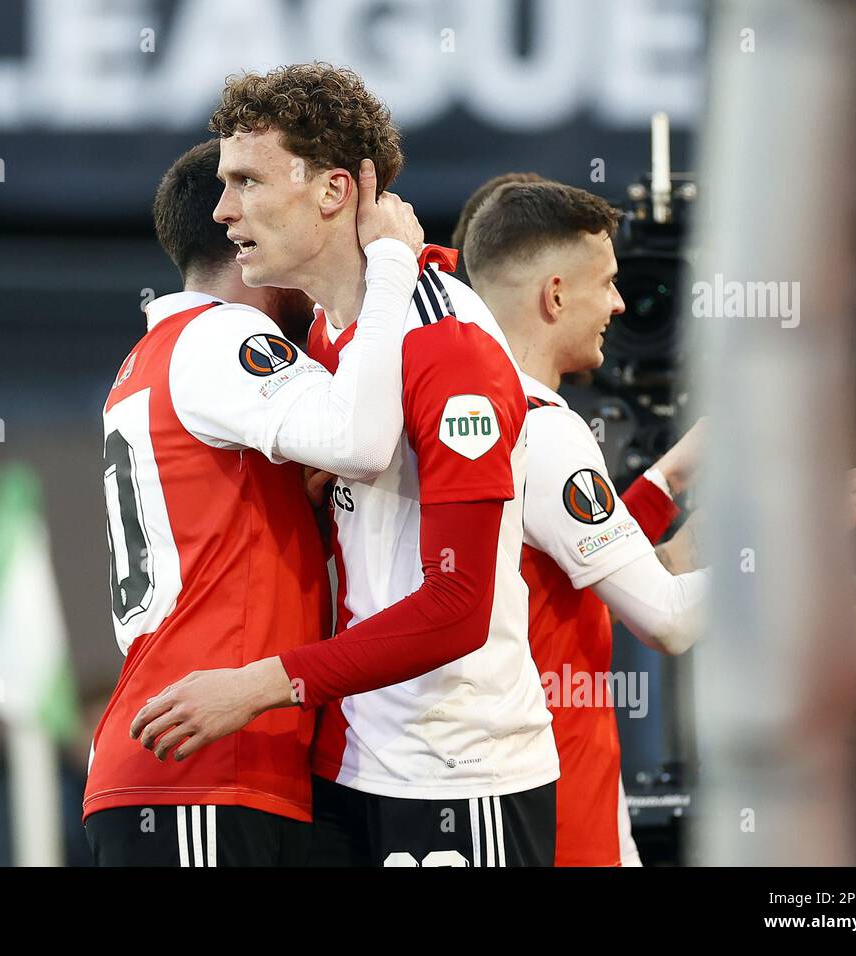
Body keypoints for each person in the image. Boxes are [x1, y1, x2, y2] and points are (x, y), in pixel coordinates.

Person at [131, 62, 560, 867]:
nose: (222, 210)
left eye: (247, 181)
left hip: (457, 779)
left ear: (332, 192)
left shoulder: (449, 342)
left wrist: (258, 684)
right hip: (347, 763)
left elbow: (459, 606)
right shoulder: (327, 338)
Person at [83, 137, 423, 866]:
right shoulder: (222, 338)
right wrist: (394, 265)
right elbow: (362, 442)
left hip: (203, 763)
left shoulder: (159, 353)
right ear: (243, 233)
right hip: (204, 764)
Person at [460, 179, 710, 866]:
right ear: (556, 295)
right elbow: (667, 620)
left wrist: (667, 479)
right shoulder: (545, 430)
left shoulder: (455, 414)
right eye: (608, 282)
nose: (621, 304)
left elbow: (556, 569)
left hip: (490, 805)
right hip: (559, 816)